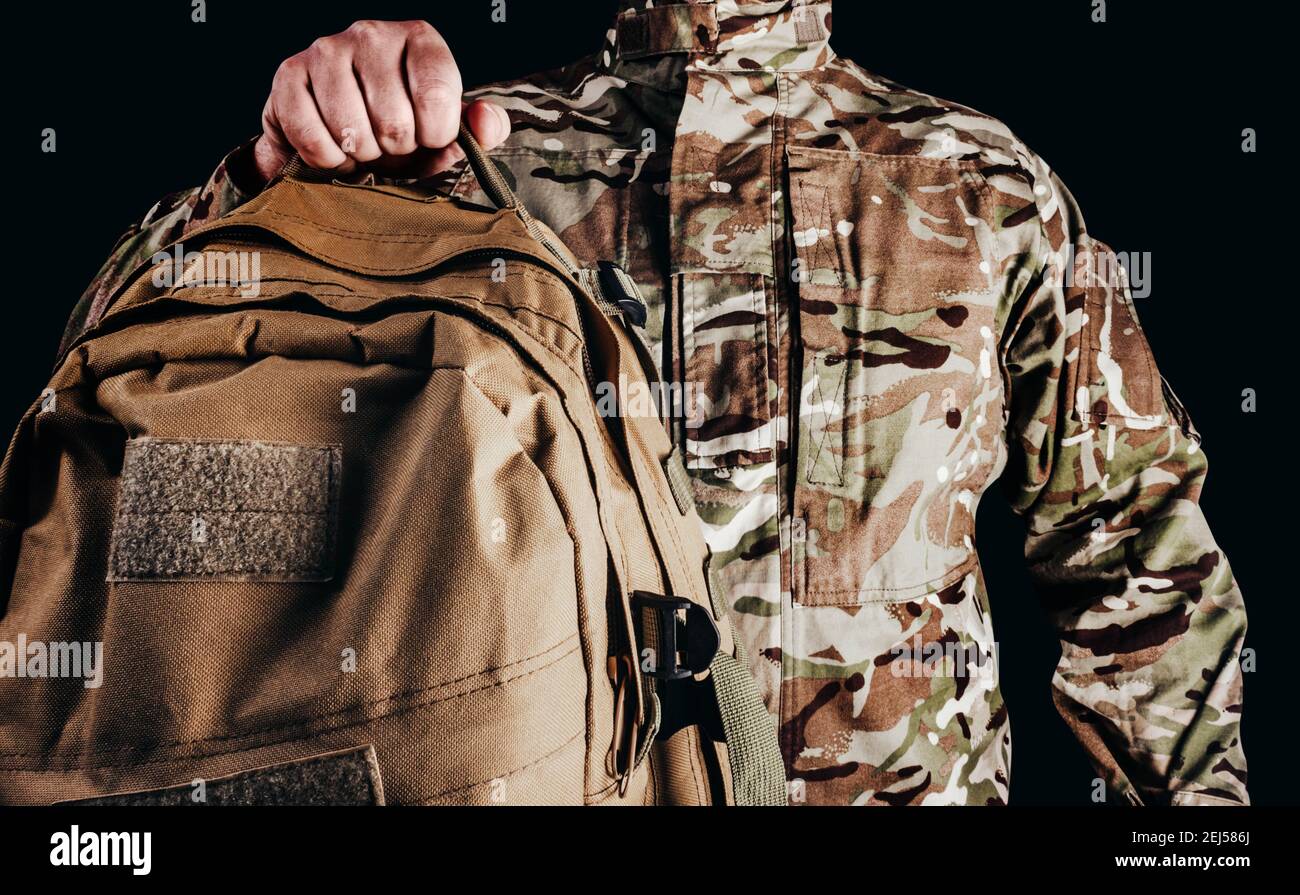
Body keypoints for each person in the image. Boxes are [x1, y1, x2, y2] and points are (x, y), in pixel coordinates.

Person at [61, 1, 1248, 806]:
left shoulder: (986, 190)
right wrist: (275, 176)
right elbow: (126, 388)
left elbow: (1135, 554)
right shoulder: (469, 164)